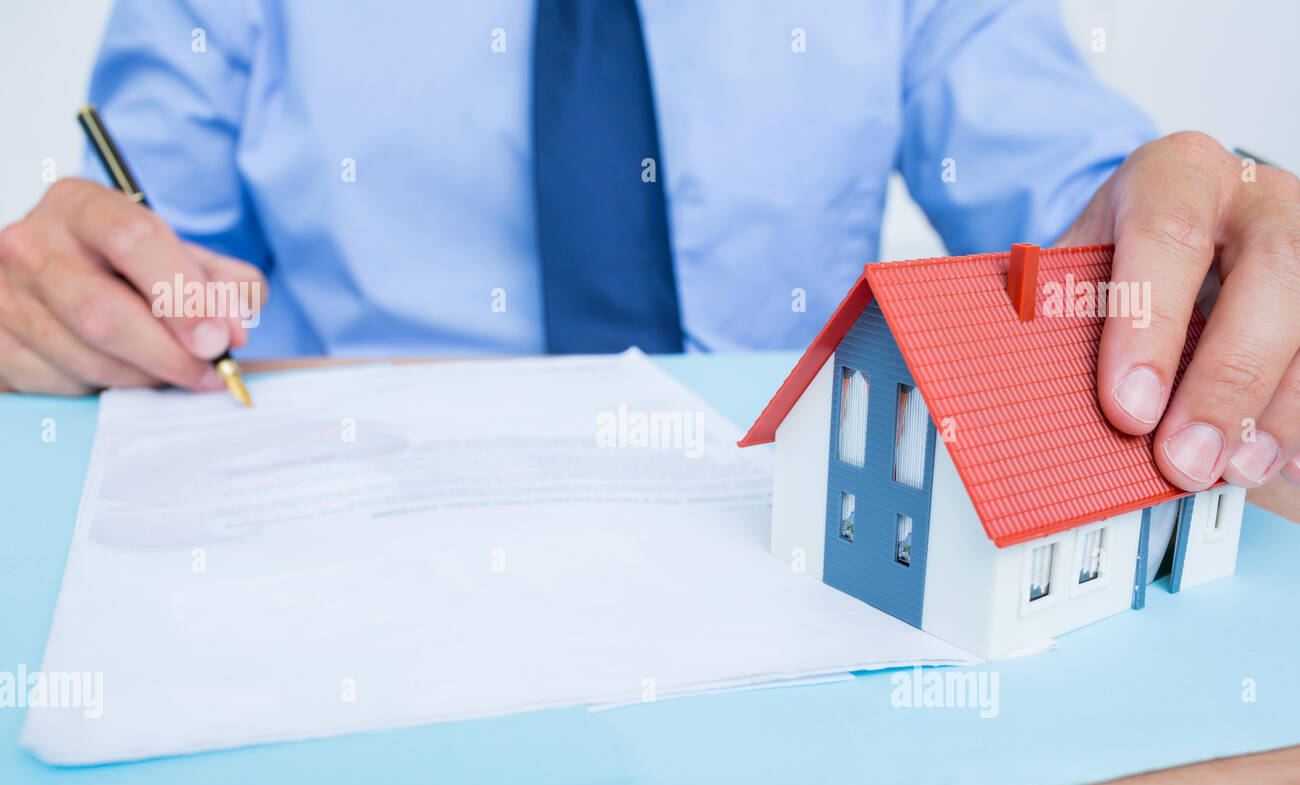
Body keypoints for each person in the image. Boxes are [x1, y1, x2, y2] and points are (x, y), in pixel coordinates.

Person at [1, 0, 1297, 494]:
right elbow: (144, 269)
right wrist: (66, 305)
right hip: (367, 514)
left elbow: (1096, 212)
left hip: (778, 520)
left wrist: (1216, 227)